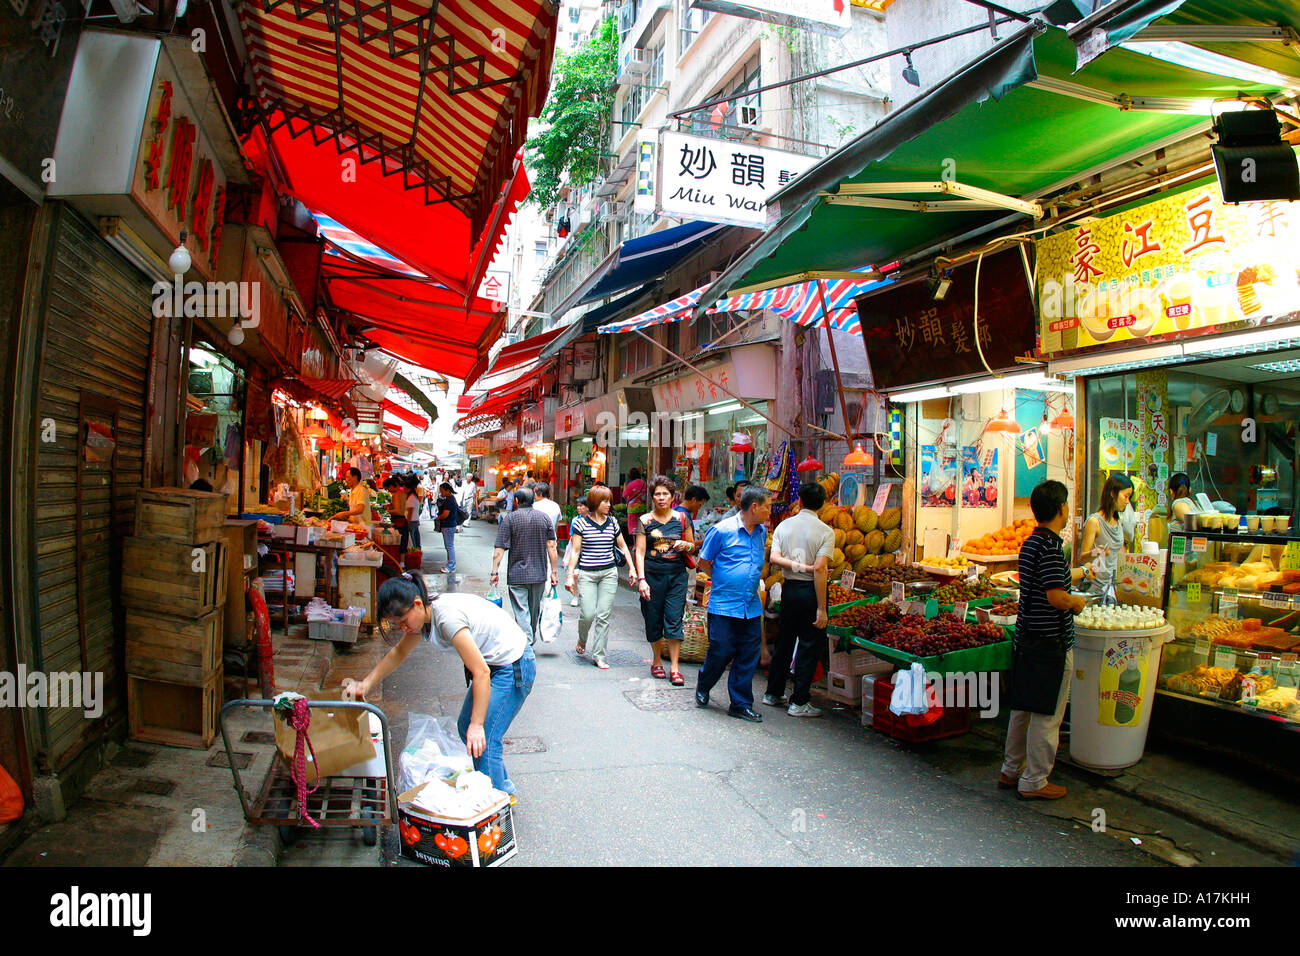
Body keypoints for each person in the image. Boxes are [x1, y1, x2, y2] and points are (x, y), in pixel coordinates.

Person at [344, 572, 535, 799]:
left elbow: (481, 673)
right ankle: (500, 787)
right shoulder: (424, 615)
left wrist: (478, 724)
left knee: (482, 735)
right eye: (398, 625)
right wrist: (365, 684)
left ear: (417, 604)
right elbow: (398, 652)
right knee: (467, 728)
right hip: (493, 664)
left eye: (404, 622)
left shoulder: (446, 618)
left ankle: (497, 802)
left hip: (513, 665)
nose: (403, 629)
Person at [1000, 480, 1087, 800]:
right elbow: (1057, 597)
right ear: (1061, 508)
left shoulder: (1032, 543)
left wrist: (1079, 573)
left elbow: (1052, 579)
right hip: (1050, 642)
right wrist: (1077, 602)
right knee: (1047, 715)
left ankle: (1011, 770)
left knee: (1022, 708)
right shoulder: (1051, 546)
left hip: (1027, 639)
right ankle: (1034, 780)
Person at [695, 486, 772, 722]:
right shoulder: (722, 530)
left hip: (750, 604)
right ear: (755, 507)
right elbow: (704, 562)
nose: (770, 511)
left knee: (748, 654)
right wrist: (723, 578)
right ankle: (704, 684)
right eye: (767, 506)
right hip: (723, 604)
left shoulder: (761, 532)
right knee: (721, 650)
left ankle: (740, 703)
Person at [763, 482, 835, 716]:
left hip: (789, 589)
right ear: (822, 504)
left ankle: (773, 693)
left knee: (784, 641)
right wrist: (822, 609)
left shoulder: (784, 526)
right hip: (810, 592)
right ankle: (799, 701)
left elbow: (774, 558)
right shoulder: (825, 532)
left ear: (800, 501)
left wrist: (796, 566)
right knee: (808, 645)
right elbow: (820, 570)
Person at [565, 486, 638, 669]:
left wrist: (632, 568)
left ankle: (599, 655)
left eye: (609, 501)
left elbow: (623, 547)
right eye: (604, 501)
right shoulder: (581, 524)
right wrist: (569, 576)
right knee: (588, 614)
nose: (608, 504)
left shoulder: (612, 522)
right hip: (587, 574)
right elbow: (575, 551)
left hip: (609, 573)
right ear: (595, 503)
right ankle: (582, 640)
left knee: (604, 615)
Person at [635, 475, 697, 685]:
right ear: (652, 497)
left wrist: (684, 545)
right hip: (652, 576)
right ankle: (656, 660)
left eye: (665, 494)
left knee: (674, 619)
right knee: (653, 619)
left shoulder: (681, 518)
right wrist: (642, 579)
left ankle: (675, 667)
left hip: (677, 577)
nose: (661, 498)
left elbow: (692, 545)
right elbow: (640, 551)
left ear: (672, 497)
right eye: (657, 494)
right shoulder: (645, 520)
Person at [491, 485, 558, 644]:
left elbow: (499, 549)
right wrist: (554, 572)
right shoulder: (543, 518)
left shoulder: (510, 519)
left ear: (516, 500)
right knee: (533, 611)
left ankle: (526, 642)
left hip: (517, 575)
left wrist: (494, 572)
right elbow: (552, 546)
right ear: (533, 499)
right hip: (539, 573)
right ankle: (529, 640)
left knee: (521, 611)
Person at [1079, 472, 1134, 600]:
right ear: (1113, 493)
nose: (1127, 501)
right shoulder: (1095, 521)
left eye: (1129, 497)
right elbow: (1083, 558)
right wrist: (1097, 552)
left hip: (1113, 589)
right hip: (1096, 590)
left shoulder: (1118, 521)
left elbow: (1119, 552)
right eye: (1125, 496)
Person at [435, 481, 459, 573]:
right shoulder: (451, 499)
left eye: (442, 491)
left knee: (449, 546)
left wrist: (438, 517)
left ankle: (451, 566)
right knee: (449, 546)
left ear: (447, 490)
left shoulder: (449, 500)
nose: (441, 493)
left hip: (448, 525)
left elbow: (445, 514)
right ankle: (451, 564)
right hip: (450, 525)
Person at [343, 467, 371, 532]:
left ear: (355, 477)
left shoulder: (361, 490)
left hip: (364, 527)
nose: (346, 480)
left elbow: (360, 510)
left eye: (348, 477)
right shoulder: (352, 491)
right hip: (356, 526)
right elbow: (353, 511)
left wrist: (344, 514)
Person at [622, 467, 648, 535]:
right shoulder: (644, 483)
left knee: (633, 527)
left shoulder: (631, 484)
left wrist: (625, 486)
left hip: (632, 508)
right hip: (642, 507)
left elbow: (624, 495)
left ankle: (634, 544)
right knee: (641, 525)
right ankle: (640, 543)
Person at [403, 474, 422, 554]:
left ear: (408, 488)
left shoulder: (411, 498)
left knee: (412, 539)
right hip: (414, 520)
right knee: (415, 538)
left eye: (404, 488)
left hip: (412, 521)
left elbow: (410, 512)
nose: (403, 489)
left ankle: (414, 554)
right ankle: (416, 552)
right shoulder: (413, 496)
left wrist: (407, 522)